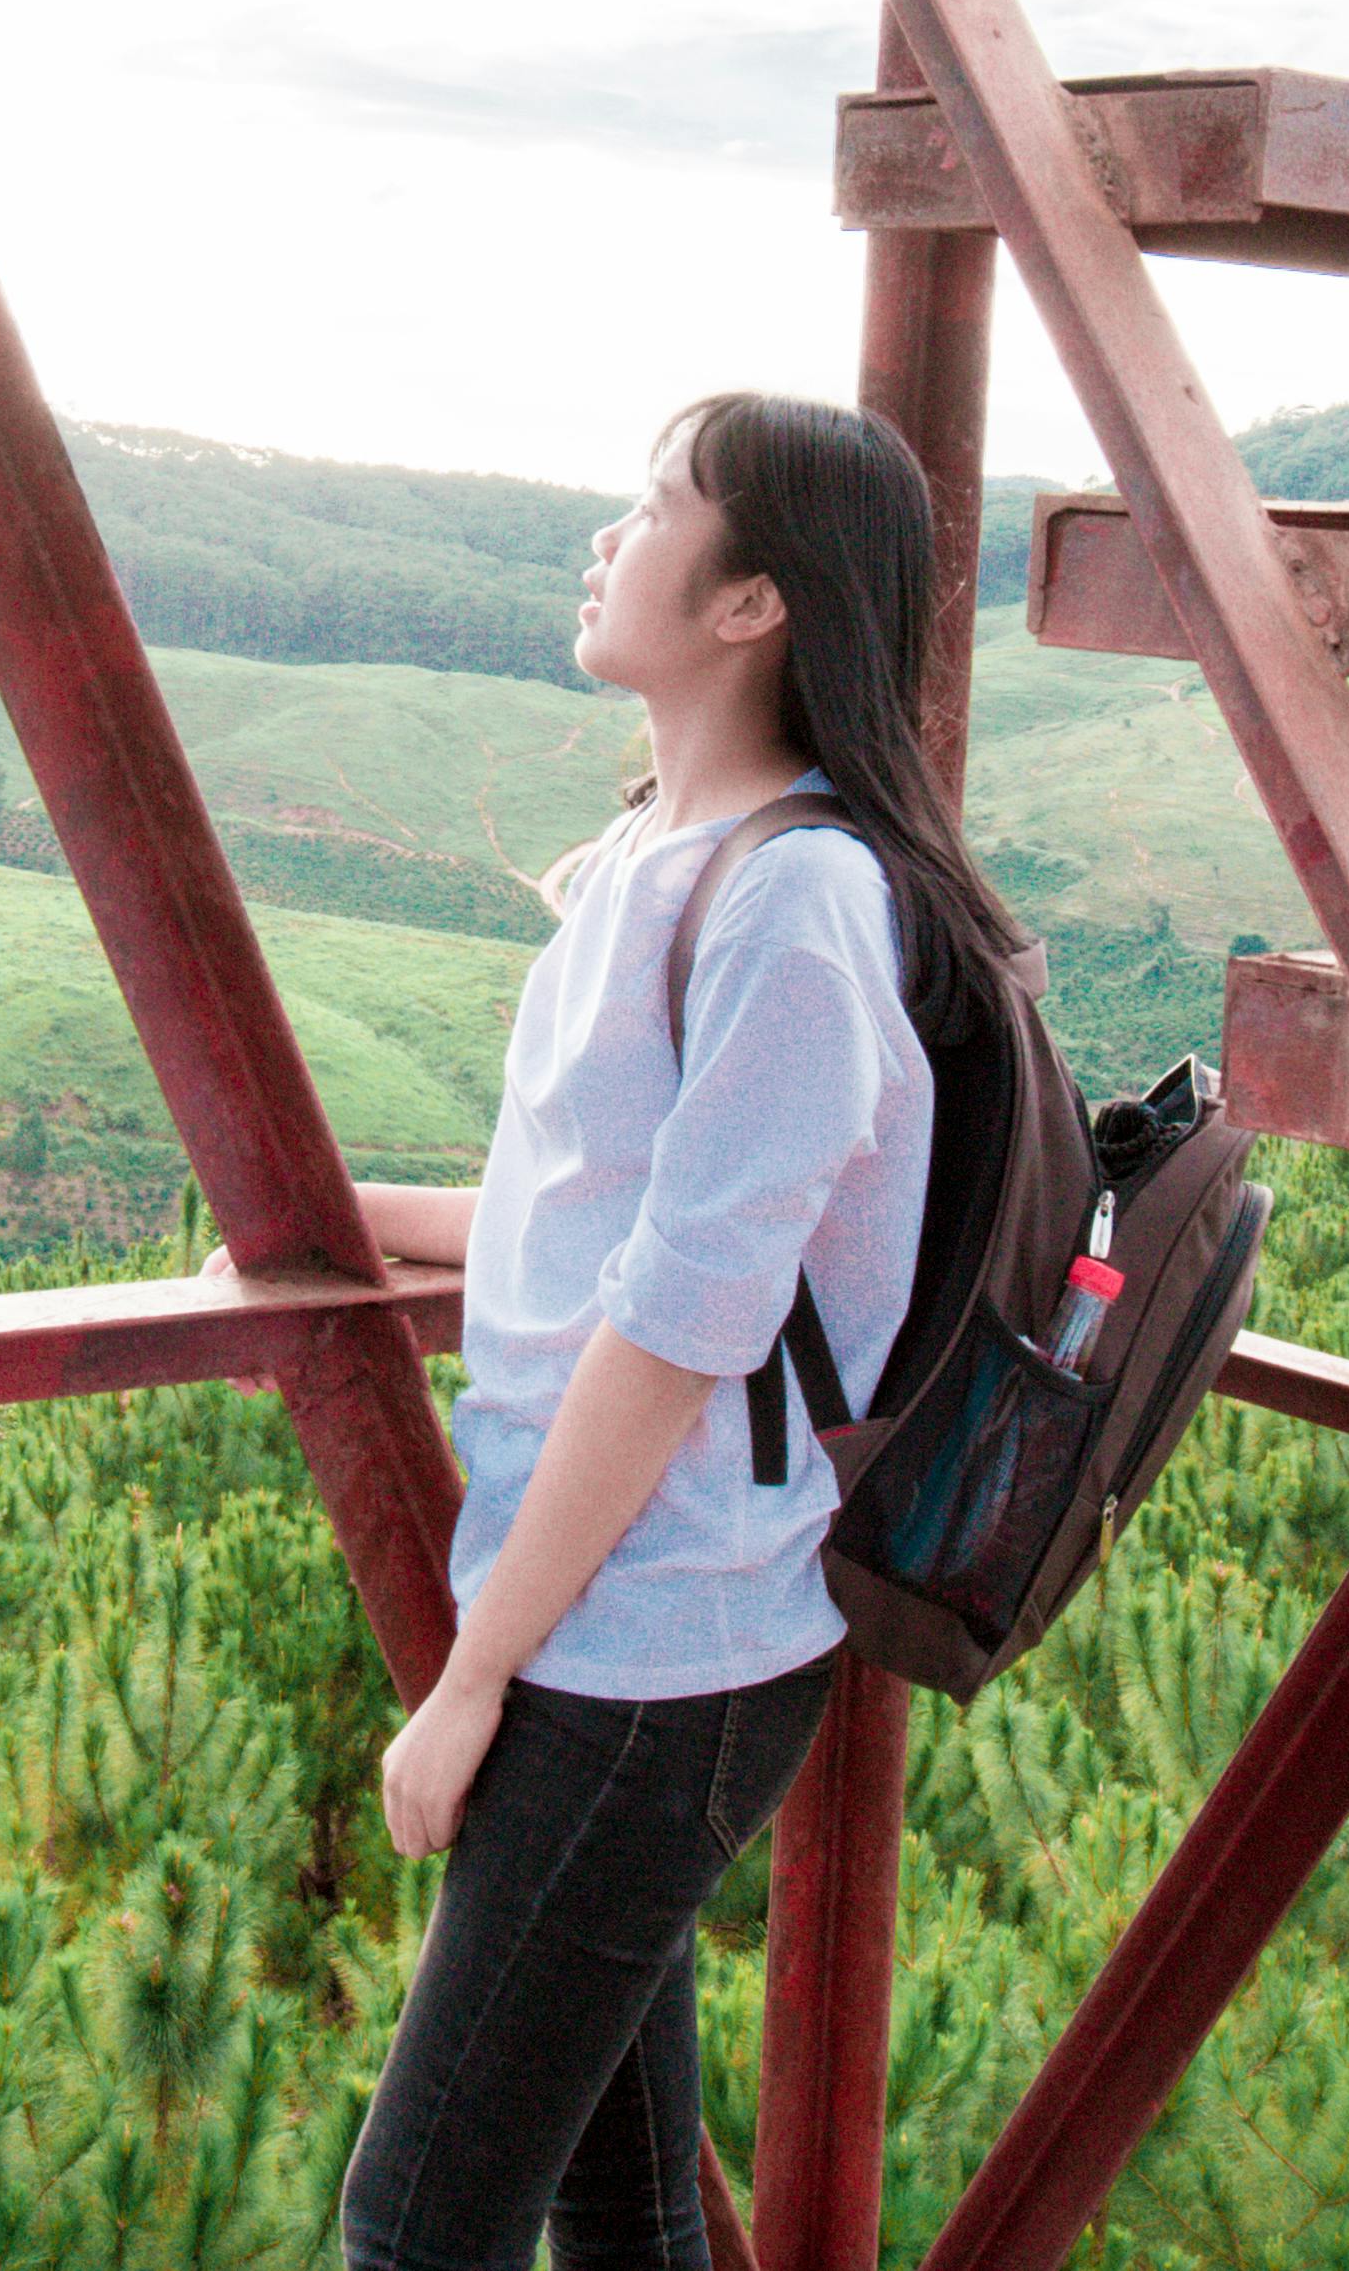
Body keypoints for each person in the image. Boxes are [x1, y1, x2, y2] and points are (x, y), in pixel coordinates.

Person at [329, 390, 1031, 2271]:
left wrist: (479, 1672)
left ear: (751, 605)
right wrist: (333, 1219)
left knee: (413, 2228)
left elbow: (680, 1318)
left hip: (658, 1641)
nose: (606, 536)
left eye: (653, 507)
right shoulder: (659, 845)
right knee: (618, 2207)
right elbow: (600, 1222)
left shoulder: (796, 900)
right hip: (610, 1605)